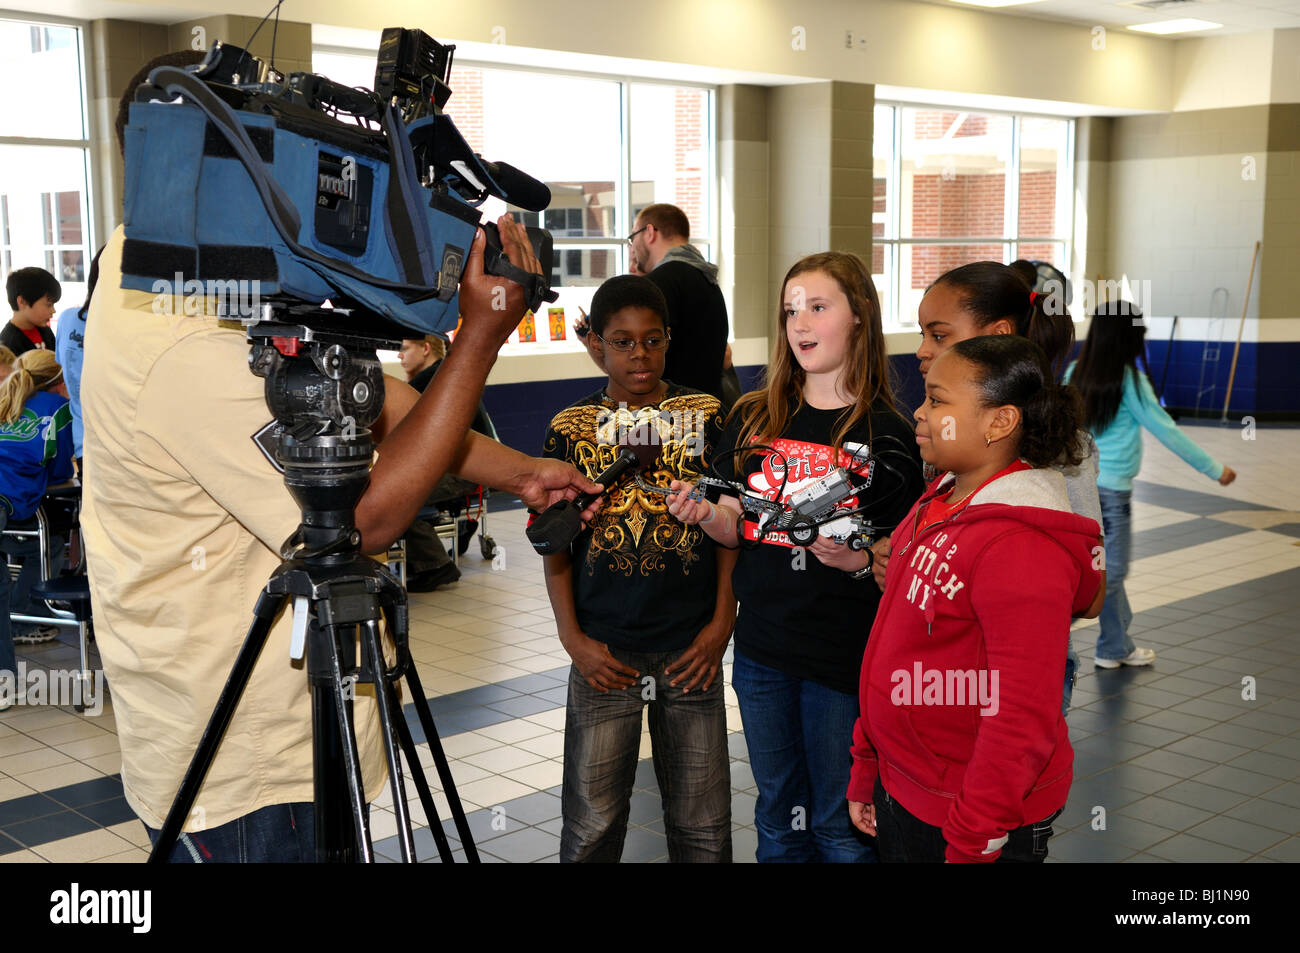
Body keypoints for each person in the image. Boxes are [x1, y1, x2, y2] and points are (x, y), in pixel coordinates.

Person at [85, 53, 602, 860]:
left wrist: (522, 472)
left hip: (288, 727)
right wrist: (479, 343)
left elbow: (359, 389)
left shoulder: (191, 254)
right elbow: (363, 518)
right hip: (250, 767)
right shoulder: (173, 327)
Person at [668, 252, 925, 862]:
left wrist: (858, 563)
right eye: (790, 311)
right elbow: (738, 526)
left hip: (843, 658)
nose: (800, 323)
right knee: (778, 818)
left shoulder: (890, 433)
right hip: (762, 653)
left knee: (841, 826)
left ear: (859, 316)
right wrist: (707, 514)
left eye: (817, 306)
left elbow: (898, 565)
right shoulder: (755, 418)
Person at [847, 335, 1101, 862]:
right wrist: (869, 763)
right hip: (907, 786)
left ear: (999, 422)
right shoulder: (940, 499)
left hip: (968, 812)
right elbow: (890, 647)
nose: (918, 413)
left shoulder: (1022, 547)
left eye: (937, 401)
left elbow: (1020, 717)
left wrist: (973, 835)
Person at [541, 274, 736, 863]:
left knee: (703, 829)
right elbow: (552, 545)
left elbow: (733, 528)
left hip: (690, 652)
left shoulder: (705, 415)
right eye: (622, 342)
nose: (639, 355)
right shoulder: (570, 429)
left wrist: (721, 622)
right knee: (592, 826)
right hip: (605, 654)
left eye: (653, 340)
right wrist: (573, 639)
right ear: (597, 344)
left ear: (669, 340)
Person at [894, 260, 1104, 714]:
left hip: (1007, 677)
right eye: (922, 334)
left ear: (1000, 332)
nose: (923, 349)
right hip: (941, 666)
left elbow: (1090, 592)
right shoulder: (950, 439)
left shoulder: (1062, 450)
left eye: (939, 334)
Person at [1065, 301, 1236, 669]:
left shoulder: (1074, 373)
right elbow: (1168, 431)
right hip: (1109, 494)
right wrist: (1215, 469)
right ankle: (1055, 630)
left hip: (1076, 489)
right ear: (1129, 339)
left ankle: (1114, 645)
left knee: (1102, 567)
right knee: (1112, 572)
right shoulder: (1130, 381)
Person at [0, 350, 75, 702]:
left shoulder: (5, 396)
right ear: (58, 380)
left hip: (9, 509)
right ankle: (25, 619)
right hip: (11, 503)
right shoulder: (56, 408)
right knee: (47, 545)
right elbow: (61, 471)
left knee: (31, 548)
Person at [629, 204, 728, 400]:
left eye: (633, 237)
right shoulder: (708, 280)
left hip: (670, 417)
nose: (633, 247)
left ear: (649, 232)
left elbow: (638, 362)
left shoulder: (659, 284)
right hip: (708, 413)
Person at [56, 248, 99, 473]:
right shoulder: (134, 328)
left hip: (85, 444)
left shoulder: (67, 319)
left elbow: (63, 369)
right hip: (126, 447)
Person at [2, 266, 61, 358]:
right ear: (22, 301)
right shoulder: (8, 344)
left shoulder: (45, 331)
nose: (53, 311)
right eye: (49, 305)